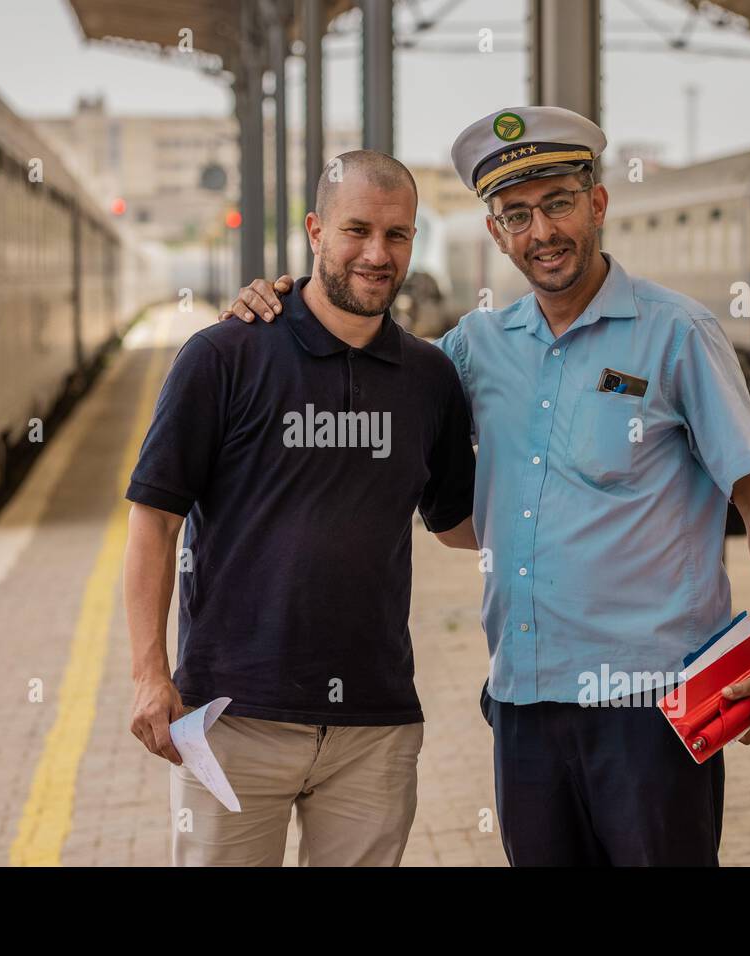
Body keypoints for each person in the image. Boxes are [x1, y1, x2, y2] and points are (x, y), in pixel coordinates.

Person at [221, 107, 750, 866]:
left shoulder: (677, 335)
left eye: (560, 203)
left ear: (597, 205)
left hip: (652, 711)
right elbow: (367, 372)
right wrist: (274, 310)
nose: (543, 232)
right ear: (498, 234)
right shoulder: (474, 348)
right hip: (525, 708)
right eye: (518, 215)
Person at [124, 150, 477, 866]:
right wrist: (148, 674)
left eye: (398, 235)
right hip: (231, 720)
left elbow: (457, 526)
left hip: (374, 728)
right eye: (357, 230)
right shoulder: (224, 356)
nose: (377, 254)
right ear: (316, 231)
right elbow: (154, 522)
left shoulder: (429, 378)